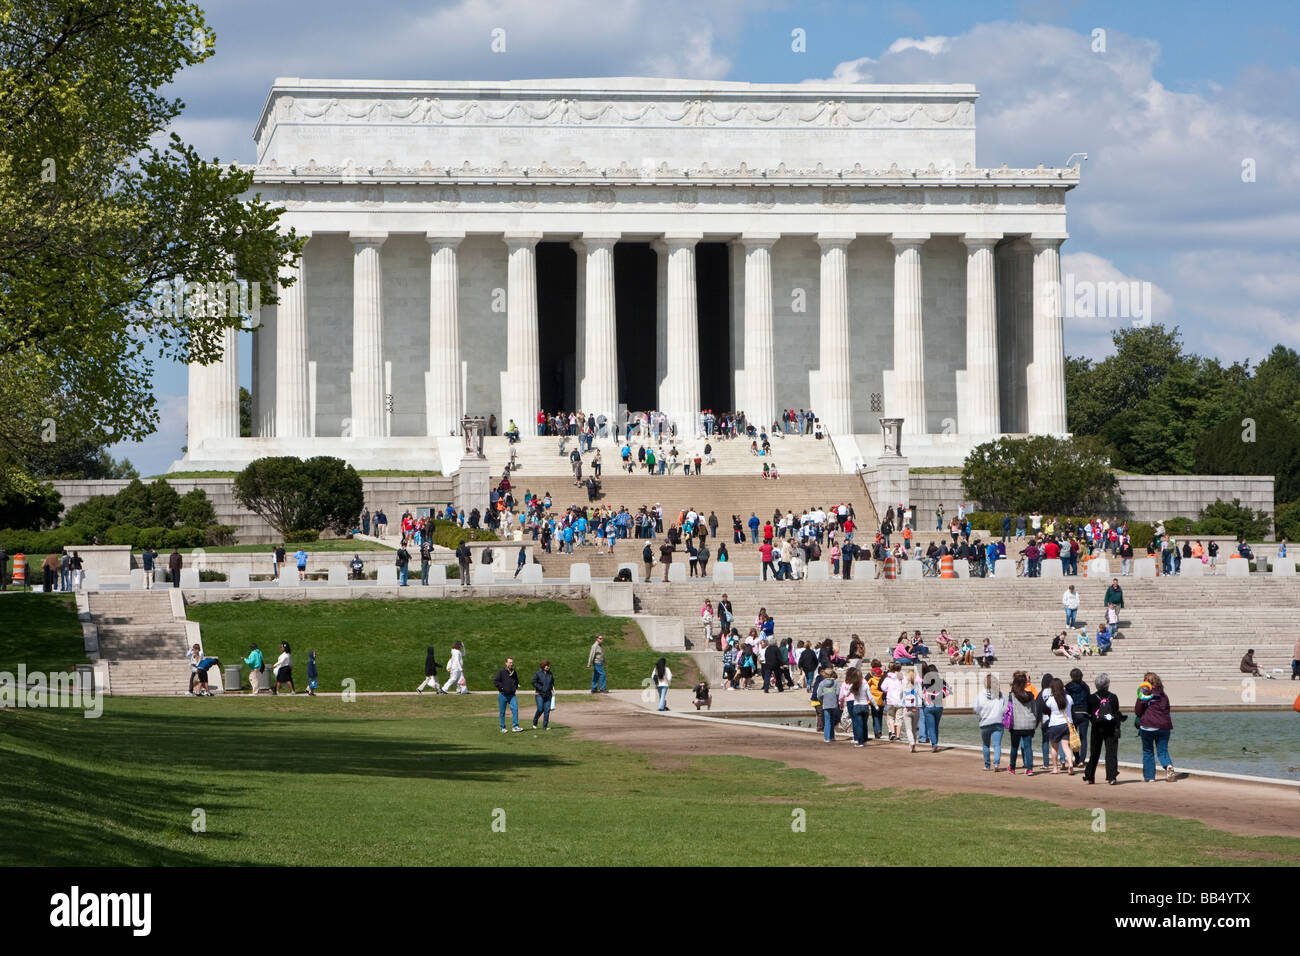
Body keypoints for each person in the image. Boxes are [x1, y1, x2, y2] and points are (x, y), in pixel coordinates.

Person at [1134, 672, 1176, 782]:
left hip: (1147, 726)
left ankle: (1150, 777)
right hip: (1164, 727)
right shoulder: (1163, 696)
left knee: (1148, 752)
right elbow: (1167, 710)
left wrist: (1140, 699)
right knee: (1162, 751)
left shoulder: (1144, 694)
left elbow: (1138, 712)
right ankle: (1168, 765)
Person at [1083, 672, 1125, 784]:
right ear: (1107, 684)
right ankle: (1112, 776)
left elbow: (1088, 713)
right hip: (1110, 727)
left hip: (1097, 727)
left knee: (1094, 752)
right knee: (1111, 751)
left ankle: (1090, 776)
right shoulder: (1113, 697)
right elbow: (1116, 711)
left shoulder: (1091, 697)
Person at [1007, 671, 1038, 775]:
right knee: (1028, 746)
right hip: (1029, 723)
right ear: (1025, 683)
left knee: (1014, 747)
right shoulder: (1031, 695)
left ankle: (1012, 767)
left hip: (1016, 724)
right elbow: (1034, 710)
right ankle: (1029, 768)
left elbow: (1008, 710)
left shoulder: (1012, 695)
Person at [973, 673, 1005, 771]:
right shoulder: (1000, 694)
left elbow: (976, 709)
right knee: (997, 745)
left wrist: (981, 714)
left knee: (986, 744)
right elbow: (1005, 708)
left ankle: (987, 765)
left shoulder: (980, 695)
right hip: (998, 722)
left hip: (985, 722)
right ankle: (996, 764)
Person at [1065, 667, 1091, 762]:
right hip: (1084, 713)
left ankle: (1076, 757)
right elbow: (1089, 700)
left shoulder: (1067, 687)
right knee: (1083, 738)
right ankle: (1082, 760)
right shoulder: (1085, 686)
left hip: (1073, 714)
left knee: (1073, 737)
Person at [919, 663, 946, 751]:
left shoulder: (925, 680)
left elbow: (921, 693)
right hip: (939, 705)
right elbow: (946, 690)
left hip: (928, 705)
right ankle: (935, 743)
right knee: (936, 726)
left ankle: (934, 744)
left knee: (931, 726)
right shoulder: (940, 679)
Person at [494, 657, 524, 732]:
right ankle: (502, 727)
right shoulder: (501, 672)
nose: (511, 664)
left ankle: (515, 726)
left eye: (512, 663)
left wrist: (515, 687)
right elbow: (496, 682)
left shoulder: (514, 672)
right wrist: (502, 688)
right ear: (506, 663)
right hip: (503, 695)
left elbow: (517, 681)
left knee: (515, 709)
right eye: (510, 662)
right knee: (502, 712)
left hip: (512, 695)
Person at [818, 667, 841, 743]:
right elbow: (838, 693)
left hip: (825, 703)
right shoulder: (836, 683)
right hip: (834, 704)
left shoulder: (822, 683)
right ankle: (832, 736)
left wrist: (822, 701)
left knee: (827, 721)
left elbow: (819, 695)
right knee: (832, 720)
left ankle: (827, 737)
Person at [531, 660, 555, 729]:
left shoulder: (550, 673)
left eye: (549, 666)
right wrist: (541, 688)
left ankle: (545, 726)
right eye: (547, 666)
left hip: (548, 694)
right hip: (539, 694)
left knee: (547, 710)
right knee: (540, 709)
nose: (548, 667)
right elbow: (533, 682)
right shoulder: (538, 673)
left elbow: (552, 682)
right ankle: (535, 722)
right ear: (543, 666)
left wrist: (552, 688)